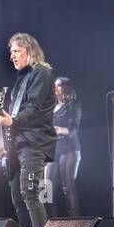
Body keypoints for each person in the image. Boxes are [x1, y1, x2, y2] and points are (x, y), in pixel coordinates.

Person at [0, 33, 56, 227]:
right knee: (18, 198)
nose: (12, 55)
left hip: (34, 144)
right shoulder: (22, 77)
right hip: (17, 145)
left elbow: (34, 109)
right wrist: (5, 140)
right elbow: (18, 114)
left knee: (30, 193)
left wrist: (12, 120)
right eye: (11, 51)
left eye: (16, 51)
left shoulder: (42, 73)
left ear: (29, 50)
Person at [51, 76, 82, 217]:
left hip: (69, 148)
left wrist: (59, 129)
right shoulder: (52, 106)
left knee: (67, 185)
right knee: (48, 185)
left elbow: (74, 129)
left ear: (65, 88)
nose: (55, 88)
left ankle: (74, 219)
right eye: (55, 86)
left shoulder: (73, 106)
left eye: (58, 86)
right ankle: (50, 218)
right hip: (53, 148)